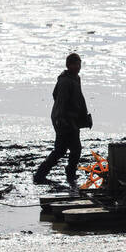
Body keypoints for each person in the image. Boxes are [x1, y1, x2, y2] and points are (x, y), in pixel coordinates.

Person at [34, 53, 92, 186]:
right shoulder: (65, 81)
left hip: (71, 120)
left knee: (71, 149)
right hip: (63, 120)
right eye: (75, 64)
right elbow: (59, 99)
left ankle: (68, 172)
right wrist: (62, 119)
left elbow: (79, 99)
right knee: (64, 149)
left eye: (79, 64)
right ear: (68, 65)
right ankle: (42, 174)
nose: (77, 67)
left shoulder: (76, 79)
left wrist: (84, 117)